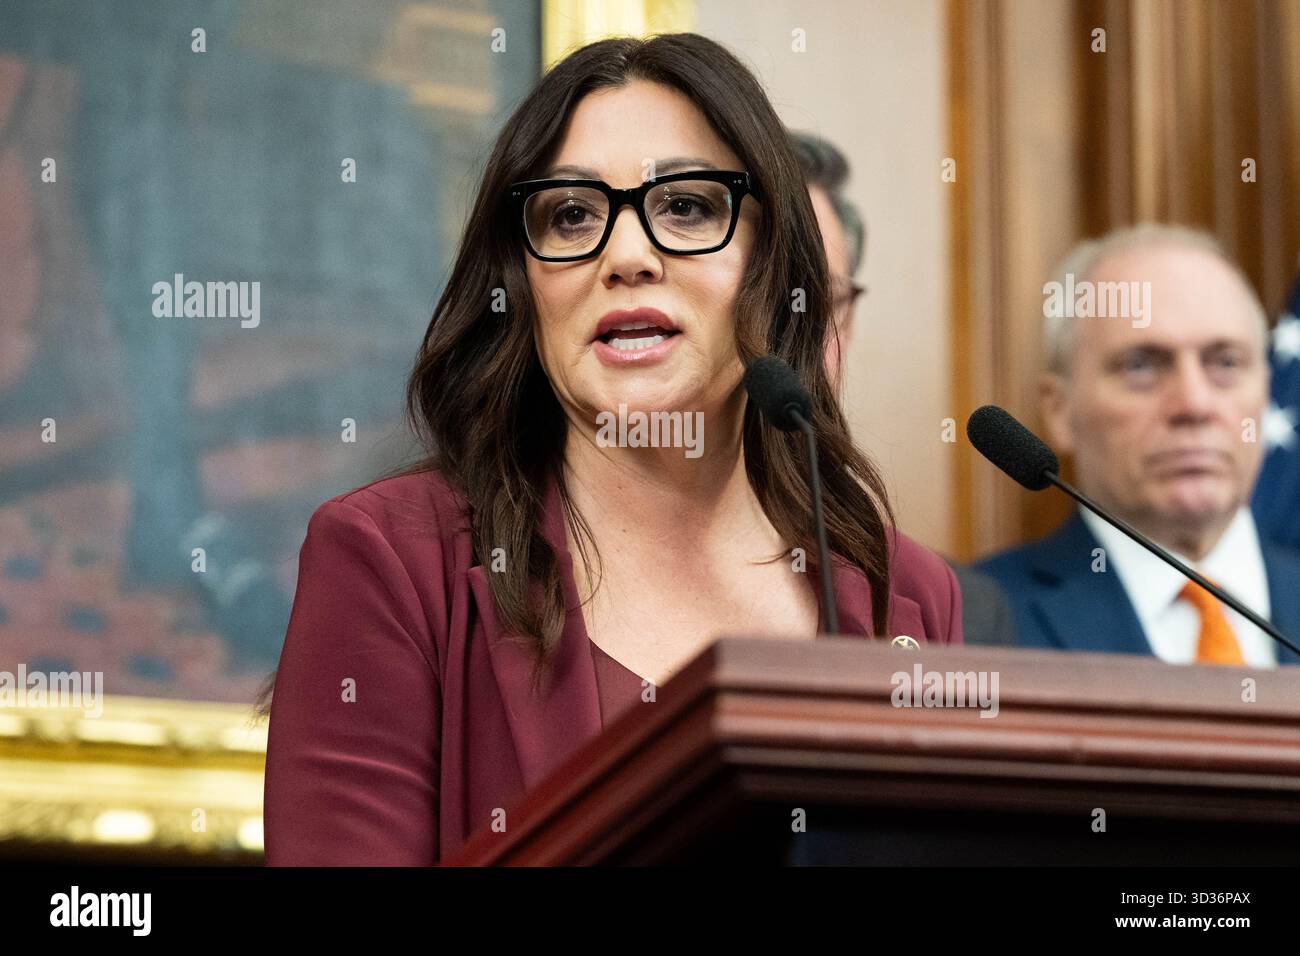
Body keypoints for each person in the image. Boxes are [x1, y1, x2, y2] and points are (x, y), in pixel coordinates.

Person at [263, 33, 962, 866]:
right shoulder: (391, 558)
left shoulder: (904, 592)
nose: (627, 256)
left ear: (774, 266)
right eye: (570, 215)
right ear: (521, 289)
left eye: (688, 207)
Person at [977, 224, 1300, 667]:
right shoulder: (975, 623)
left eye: (1225, 362)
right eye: (1142, 366)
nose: (1194, 403)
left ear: (1264, 390)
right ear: (1059, 409)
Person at [791, 129, 1016, 646]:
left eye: (813, 298)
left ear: (846, 325)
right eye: (761, 297)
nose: (789, 331)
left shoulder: (962, 608)